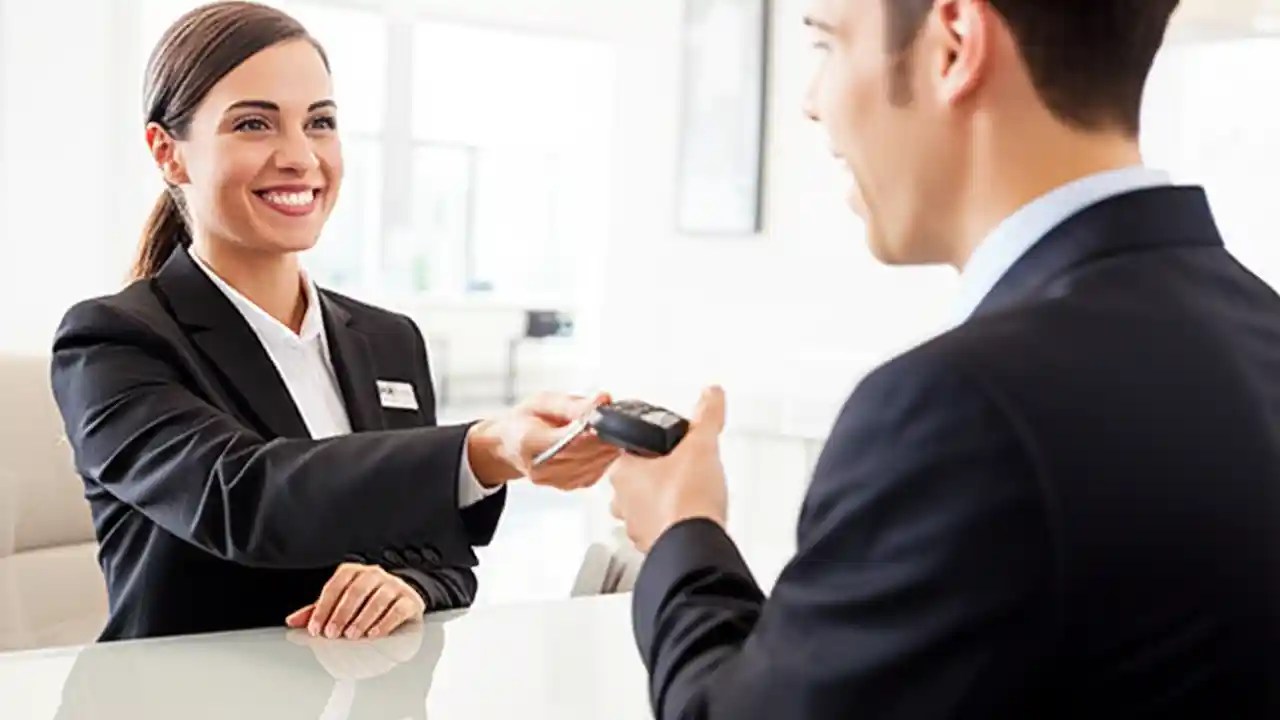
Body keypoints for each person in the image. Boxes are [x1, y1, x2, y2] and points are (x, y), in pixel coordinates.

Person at [608, 0, 1280, 717]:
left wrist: (684, 531)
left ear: (954, 43)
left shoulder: (962, 409)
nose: (810, 104)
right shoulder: (1258, 328)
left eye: (828, 44)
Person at [50, 1, 618, 644]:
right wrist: (482, 448)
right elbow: (244, 498)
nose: (299, 156)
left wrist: (409, 587)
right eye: (254, 124)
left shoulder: (388, 341)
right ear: (168, 153)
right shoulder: (112, 342)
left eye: (319, 122)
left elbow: (448, 557)